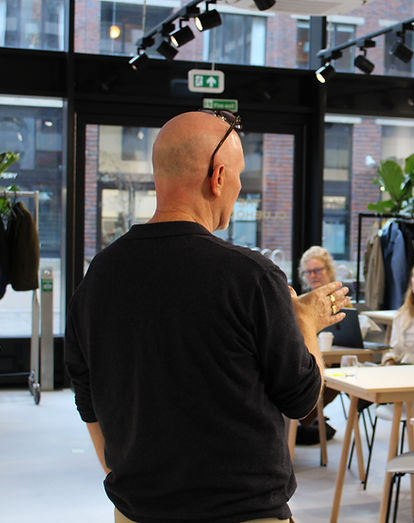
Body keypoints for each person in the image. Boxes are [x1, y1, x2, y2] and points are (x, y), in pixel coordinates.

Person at [64, 110, 350, 523]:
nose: (238, 188)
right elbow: (303, 400)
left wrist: (120, 471)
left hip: (136, 512)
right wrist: (304, 321)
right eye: (238, 176)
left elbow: (86, 390)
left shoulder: (99, 275)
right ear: (217, 177)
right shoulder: (251, 278)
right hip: (243, 513)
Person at [296, 245, 341, 444]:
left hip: (333, 362)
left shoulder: (341, 301)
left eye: (318, 270)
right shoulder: (299, 303)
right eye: (309, 272)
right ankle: (301, 418)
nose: (313, 275)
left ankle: (303, 417)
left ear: (329, 271)